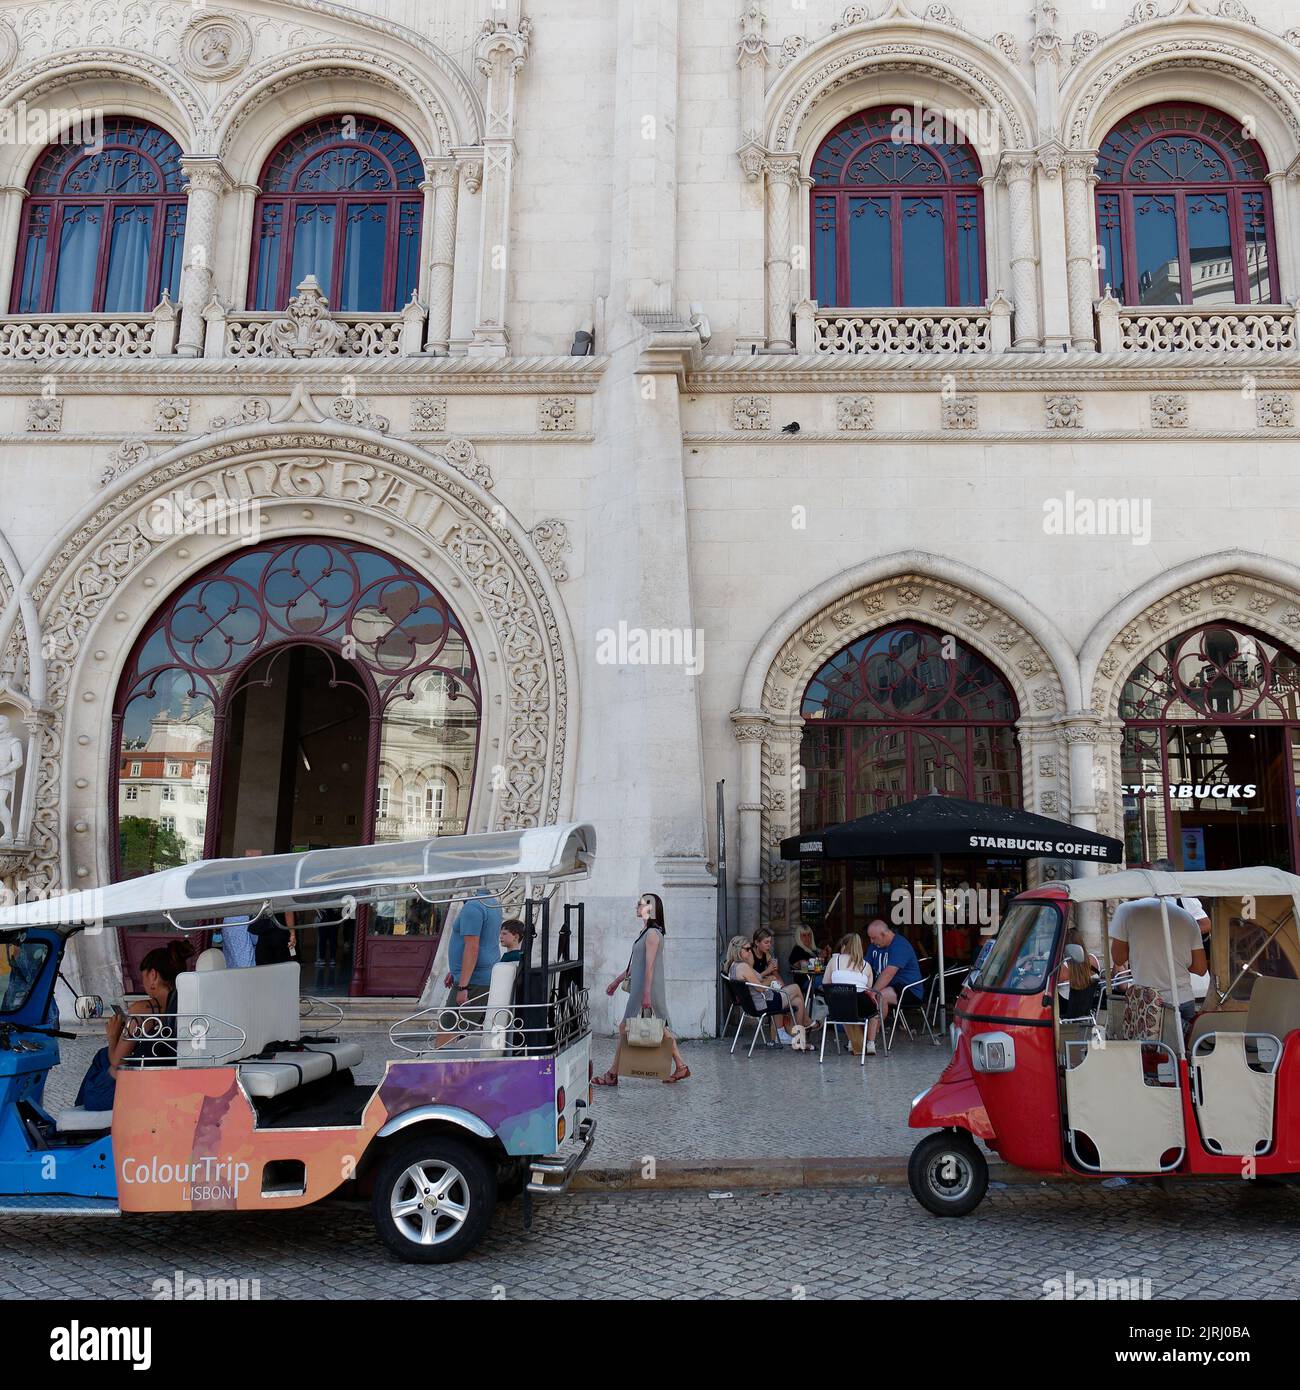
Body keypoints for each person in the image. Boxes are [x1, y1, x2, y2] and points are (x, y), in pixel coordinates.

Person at [73, 940, 194, 1112]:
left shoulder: (144, 1008)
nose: (144, 985)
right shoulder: (186, 1001)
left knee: (102, 1059)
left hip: (131, 1088)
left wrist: (113, 1035)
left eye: (143, 977)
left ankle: (80, 1118)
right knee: (101, 1056)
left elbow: (117, 1060)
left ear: (153, 975)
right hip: (166, 1071)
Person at [595, 893, 690, 1085]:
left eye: (640, 904)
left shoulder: (653, 934)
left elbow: (649, 966)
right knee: (660, 1027)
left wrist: (646, 994)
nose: (636, 907)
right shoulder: (647, 932)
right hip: (642, 987)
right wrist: (616, 982)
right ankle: (681, 1066)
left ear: (650, 908)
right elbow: (635, 965)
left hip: (646, 989)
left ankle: (612, 1074)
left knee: (625, 1027)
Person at [1109, 895, 1207, 1035]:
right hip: (1184, 999)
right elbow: (1200, 968)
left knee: (1153, 1056)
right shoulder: (1186, 916)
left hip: (1150, 1004)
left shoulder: (1126, 911)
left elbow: (1118, 958)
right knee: (1182, 1054)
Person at [721, 933, 818, 1043]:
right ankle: (805, 1022)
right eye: (747, 949)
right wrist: (770, 979)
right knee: (795, 987)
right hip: (764, 1003)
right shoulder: (743, 967)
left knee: (798, 1001)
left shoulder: (733, 966)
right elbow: (760, 988)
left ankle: (794, 1035)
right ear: (738, 950)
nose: (749, 952)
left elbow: (755, 983)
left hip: (755, 1003)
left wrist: (768, 978)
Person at [864, 918, 924, 1055]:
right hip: (886, 986)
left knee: (880, 996)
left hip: (908, 989)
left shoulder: (900, 945)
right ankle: (860, 1035)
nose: (871, 942)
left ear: (884, 934)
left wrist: (872, 990)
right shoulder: (874, 946)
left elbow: (888, 974)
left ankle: (870, 1039)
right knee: (867, 995)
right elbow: (865, 967)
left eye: (873, 938)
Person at [444, 886, 503, 1010]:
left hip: (473, 980)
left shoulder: (473, 907)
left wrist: (463, 986)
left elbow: (472, 948)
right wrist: (456, 972)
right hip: (479, 976)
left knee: (446, 1028)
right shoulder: (492, 902)